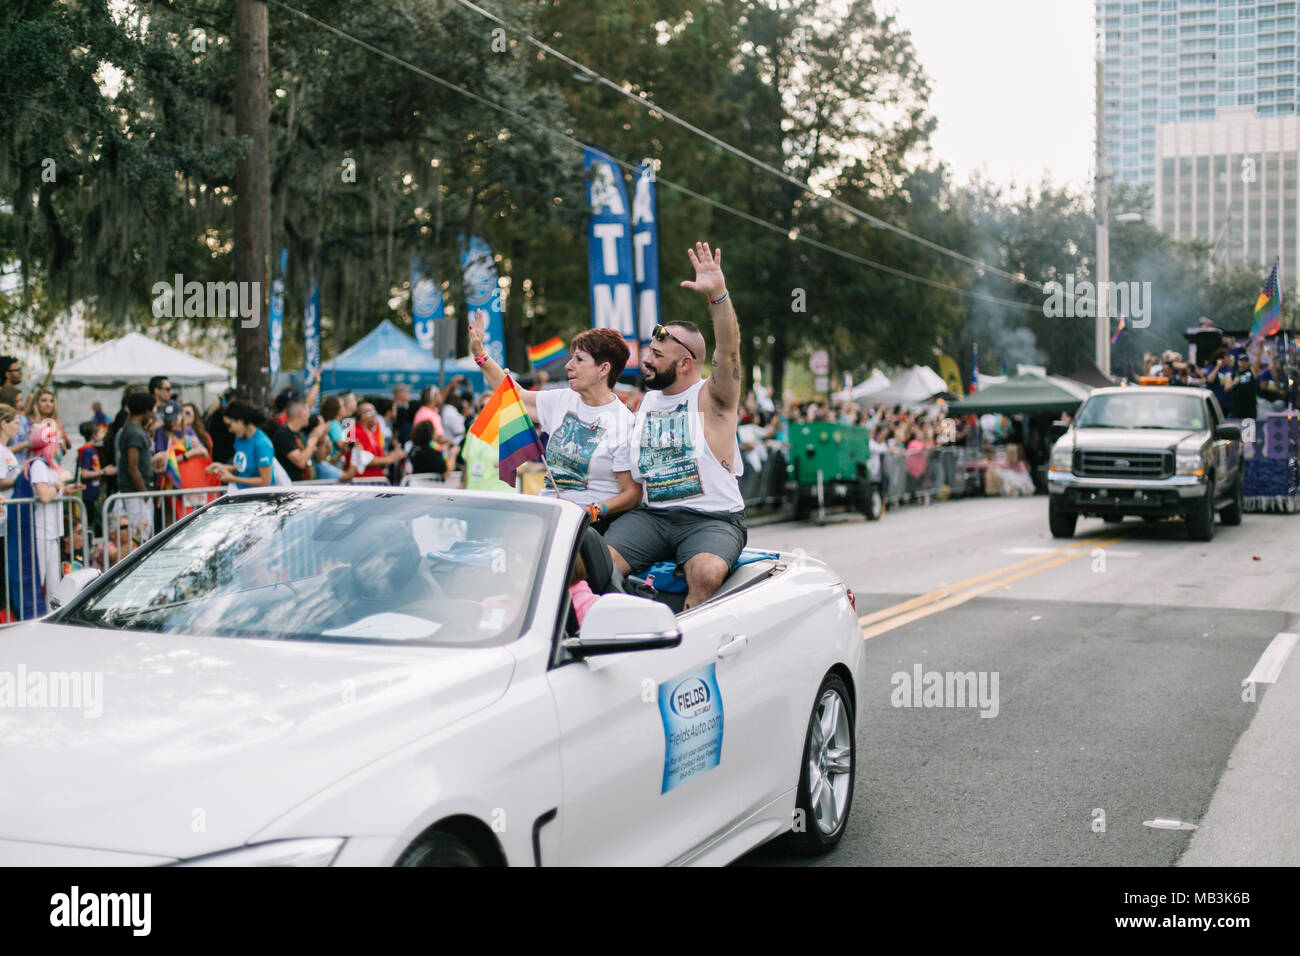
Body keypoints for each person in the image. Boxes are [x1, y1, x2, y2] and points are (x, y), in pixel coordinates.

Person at [604, 241, 747, 609]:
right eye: (649, 351)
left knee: (705, 573)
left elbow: (728, 351)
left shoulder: (712, 398)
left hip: (711, 520)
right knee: (594, 562)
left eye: (656, 355)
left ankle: (687, 647)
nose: (646, 360)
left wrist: (718, 295)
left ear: (685, 364)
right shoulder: (647, 400)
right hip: (653, 517)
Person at [469, 318, 640, 530]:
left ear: (603, 369)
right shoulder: (562, 399)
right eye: (571, 358)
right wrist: (480, 354)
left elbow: (632, 494)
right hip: (550, 514)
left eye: (579, 359)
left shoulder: (625, 422)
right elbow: (515, 396)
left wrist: (590, 511)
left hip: (590, 527)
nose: (569, 366)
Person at [26, 421, 66, 600]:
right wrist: (60, 483)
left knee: (54, 584)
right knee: (39, 578)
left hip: (52, 532)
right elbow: (44, 495)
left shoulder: (49, 467)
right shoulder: (38, 465)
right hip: (41, 531)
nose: (60, 446)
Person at [115, 391, 159, 540]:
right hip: (137, 494)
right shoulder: (134, 433)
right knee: (141, 536)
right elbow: (132, 467)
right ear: (146, 411)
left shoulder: (132, 430)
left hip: (138, 492)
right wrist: (145, 494)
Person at [211, 401, 277, 487]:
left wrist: (233, 479)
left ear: (240, 421)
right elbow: (243, 468)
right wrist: (223, 467)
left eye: (229, 425)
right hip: (242, 495)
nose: (229, 430)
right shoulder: (239, 439)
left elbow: (265, 481)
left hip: (257, 498)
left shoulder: (261, 443)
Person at [272, 400, 329, 482]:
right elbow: (300, 462)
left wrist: (322, 437)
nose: (309, 415)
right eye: (307, 411)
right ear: (301, 413)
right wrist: (314, 437)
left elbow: (319, 458)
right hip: (291, 489)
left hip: (305, 487)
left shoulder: (300, 434)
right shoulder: (283, 435)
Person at [0, 403, 21, 615]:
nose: (18, 427)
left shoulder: (6, 451)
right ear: (3, 424)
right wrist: (20, 480)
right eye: (15, 423)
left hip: (7, 521)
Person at [348, 402, 405, 480]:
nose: (376, 417)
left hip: (375, 479)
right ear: (365, 417)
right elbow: (365, 460)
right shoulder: (353, 433)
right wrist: (390, 459)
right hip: (364, 482)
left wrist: (392, 455)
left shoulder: (372, 432)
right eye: (374, 413)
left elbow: (378, 455)